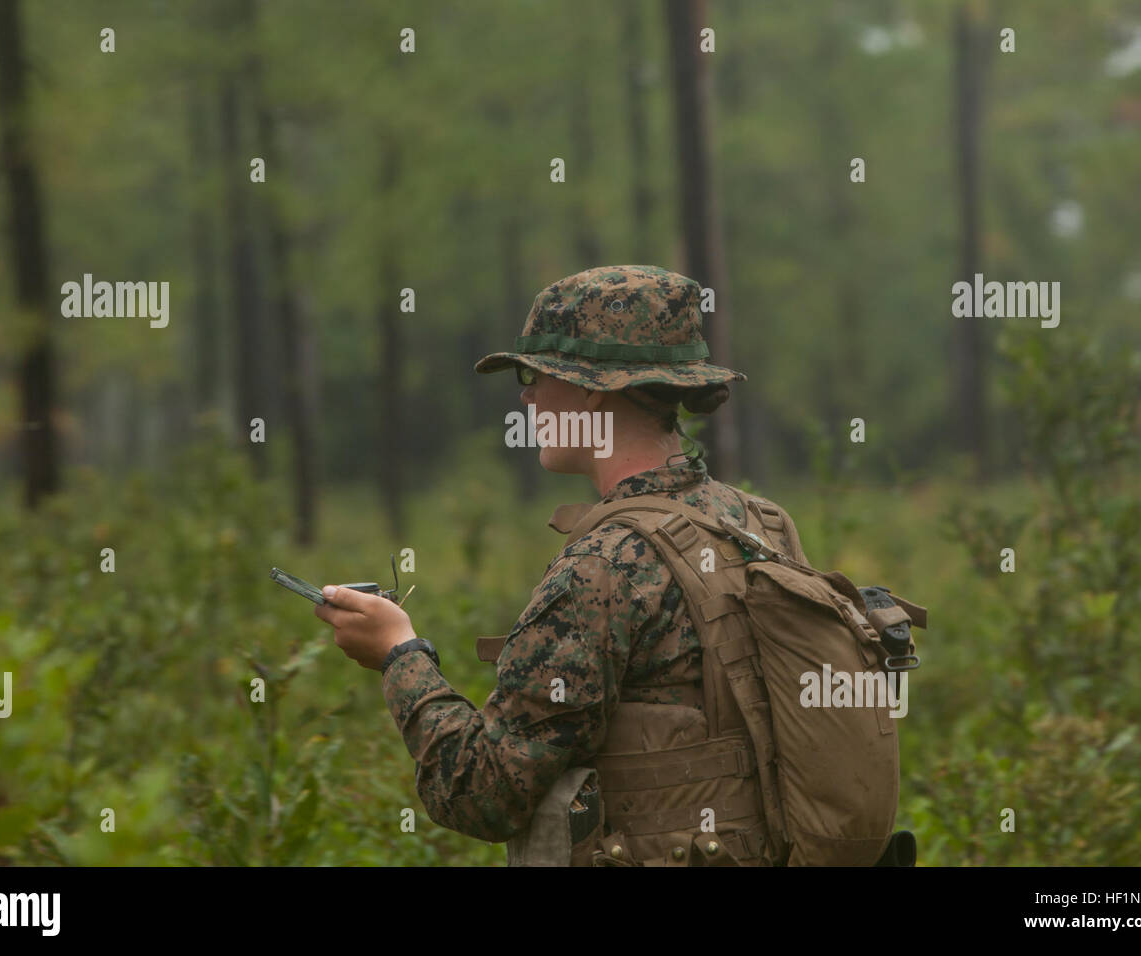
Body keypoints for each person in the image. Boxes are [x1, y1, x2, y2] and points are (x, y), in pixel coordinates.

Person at [314, 264, 806, 866]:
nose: (525, 397)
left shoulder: (602, 568)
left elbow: (482, 793)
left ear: (593, 388)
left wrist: (399, 656)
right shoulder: (762, 525)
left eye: (533, 375)